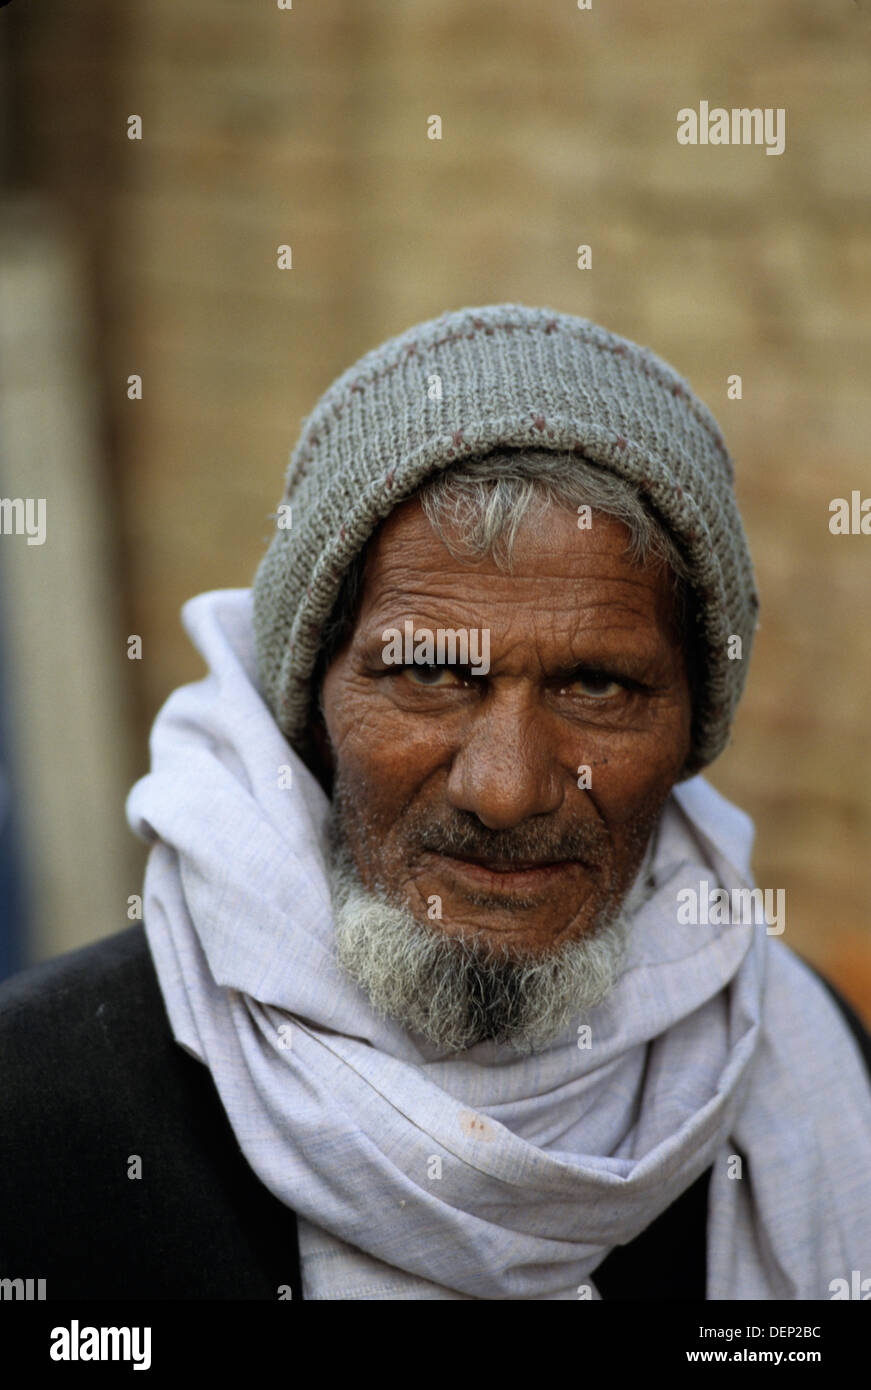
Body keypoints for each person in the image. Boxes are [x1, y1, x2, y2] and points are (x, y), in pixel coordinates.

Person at [2, 303, 870, 1302]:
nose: (503, 791)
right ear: (308, 702)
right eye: (427, 674)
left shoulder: (804, 1067)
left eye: (596, 686)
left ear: (691, 731)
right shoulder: (36, 1115)